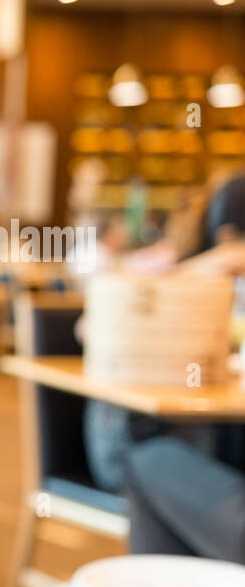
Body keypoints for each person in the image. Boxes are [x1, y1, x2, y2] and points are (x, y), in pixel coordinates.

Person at [82, 174, 245, 494]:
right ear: (227, 236)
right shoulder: (174, 272)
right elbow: (88, 326)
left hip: (203, 444)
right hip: (140, 442)